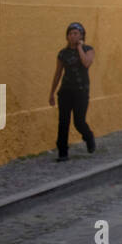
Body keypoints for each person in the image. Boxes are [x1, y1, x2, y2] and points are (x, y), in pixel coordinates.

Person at [49, 21, 96, 161]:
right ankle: (63, 152)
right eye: (70, 33)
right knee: (63, 121)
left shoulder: (88, 49)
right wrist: (51, 92)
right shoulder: (63, 53)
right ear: (67, 36)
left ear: (81, 35)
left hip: (81, 91)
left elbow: (86, 63)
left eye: (76, 33)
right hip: (65, 91)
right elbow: (57, 73)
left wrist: (80, 47)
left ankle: (88, 136)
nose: (73, 36)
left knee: (79, 121)